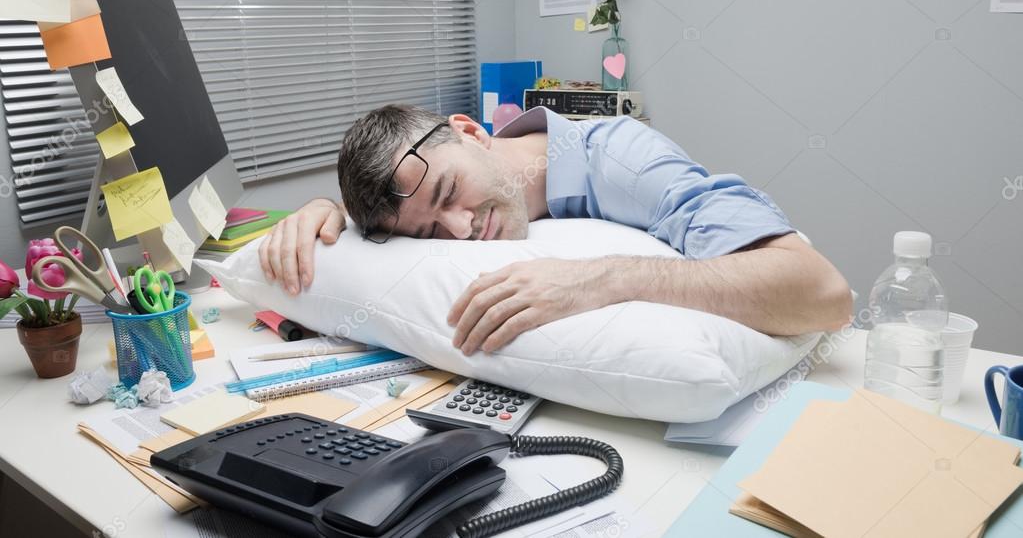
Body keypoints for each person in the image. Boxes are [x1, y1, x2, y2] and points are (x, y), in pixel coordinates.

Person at [259, 105, 851, 355]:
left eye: (448, 195)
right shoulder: (452, 183)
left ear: (469, 129)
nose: (462, 230)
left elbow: (824, 295)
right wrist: (326, 212)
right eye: (431, 232)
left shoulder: (624, 161)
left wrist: (606, 278)